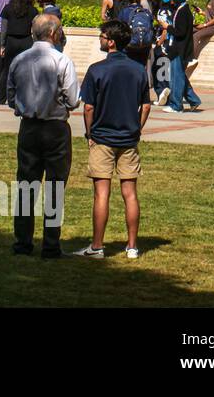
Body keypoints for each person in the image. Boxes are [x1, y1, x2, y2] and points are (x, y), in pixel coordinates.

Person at [71, 20, 152, 259]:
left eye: (102, 36)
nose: (100, 39)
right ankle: (132, 246)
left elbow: (88, 107)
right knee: (130, 193)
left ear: (111, 41)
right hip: (128, 138)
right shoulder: (138, 69)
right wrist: (137, 128)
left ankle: (97, 246)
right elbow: (145, 105)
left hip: (102, 138)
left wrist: (89, 134)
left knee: (101, 193)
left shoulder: (97, 69)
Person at [5, 14, 81, 258]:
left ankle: (23, 242)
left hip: (28, 126)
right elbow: (73, 99)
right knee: (56, 187)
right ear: (53, 33)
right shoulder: (62, 60)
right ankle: (50, 243)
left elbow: (10, 95)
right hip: (55, 127)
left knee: (26, 185)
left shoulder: (20, 60)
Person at [162, 0, 202, 113]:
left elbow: (180, 32)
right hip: (178, 48)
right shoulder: (182, 9)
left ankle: (176, 105)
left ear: (176, 0)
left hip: (180, 49)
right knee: (179, 76)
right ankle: (194, 100)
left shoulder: (183, 12)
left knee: (176, 78)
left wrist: (167, 27)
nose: (171, 3)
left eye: (172, 0)